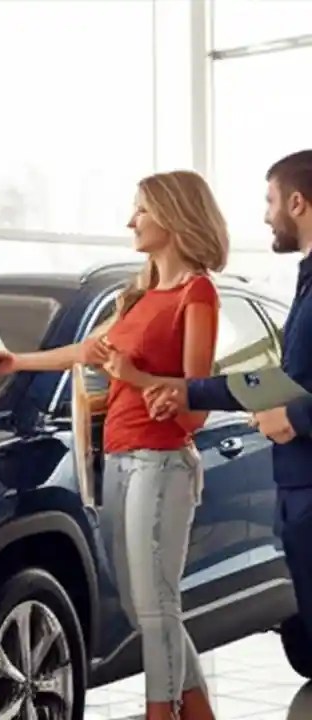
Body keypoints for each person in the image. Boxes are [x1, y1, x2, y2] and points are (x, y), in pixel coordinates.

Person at [0, 170, 227, 720]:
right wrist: (18, 361)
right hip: (117, 459)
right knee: (147, 608)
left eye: (141, 210)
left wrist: (140, 381)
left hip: (161, 462)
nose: (131, 220)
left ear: (172, 215)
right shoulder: (137, 296)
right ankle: (197, 710)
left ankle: (160, 712)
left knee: (156, 603)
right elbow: (89, 352)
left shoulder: (197, 293)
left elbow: (197, 402)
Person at [145, 150, 312, 648]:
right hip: (298, 483)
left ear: (299, 203)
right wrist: (189, 389)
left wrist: (298, 415)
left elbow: (292, 398)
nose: (266, 215)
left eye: (270, 201)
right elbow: (283, 380)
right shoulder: (305, 279)